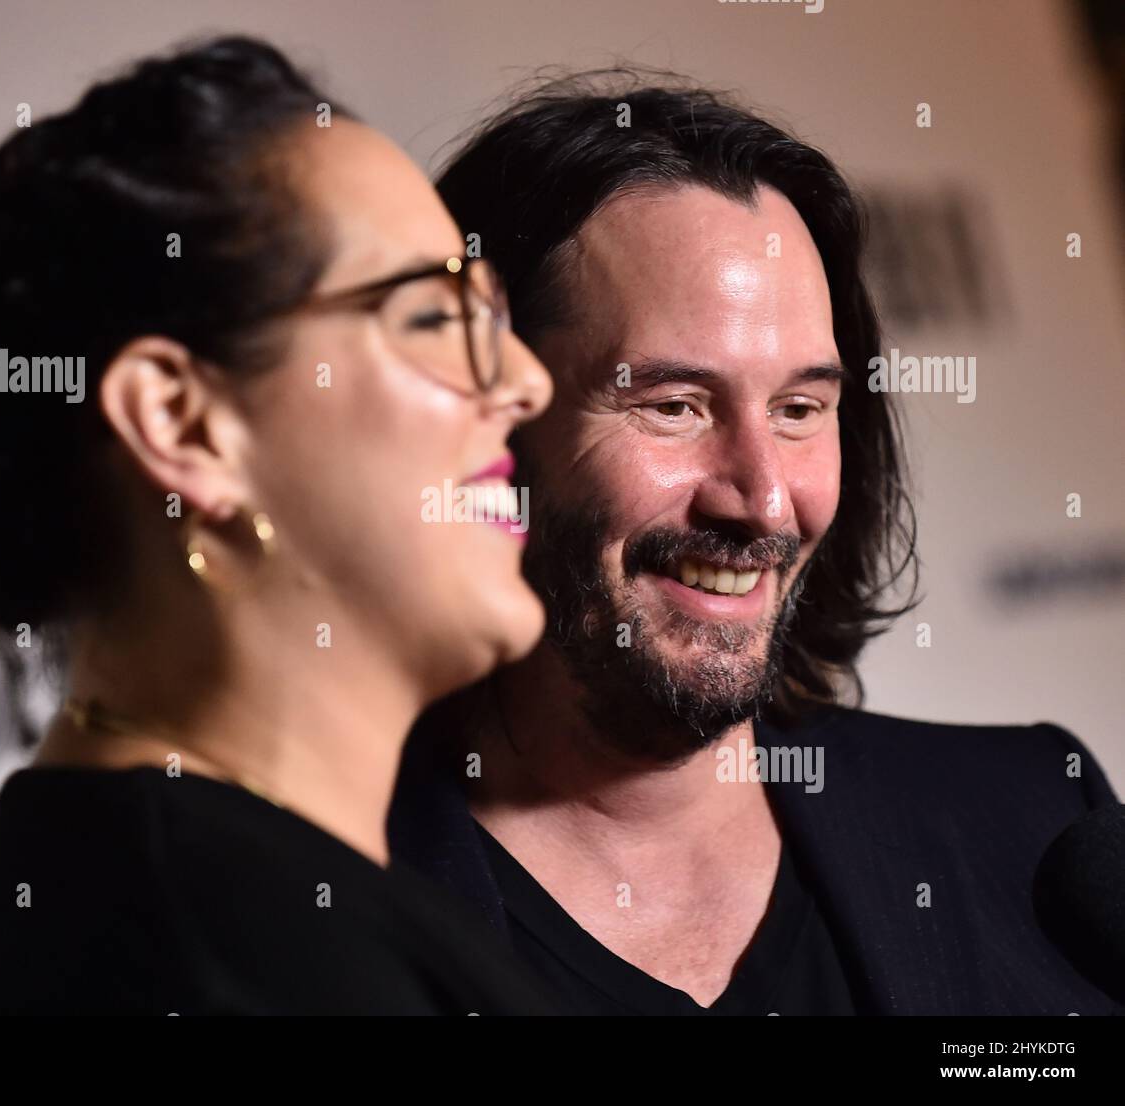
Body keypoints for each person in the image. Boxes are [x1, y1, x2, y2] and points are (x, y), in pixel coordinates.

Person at [387, 72, 1123, 1016]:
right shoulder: (298, 920)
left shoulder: (1031, 826)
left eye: (799, 408)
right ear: (485, 429)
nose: (766, 499)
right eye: (674, 406)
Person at [0, 36, 560, 1015]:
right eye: (438, 318)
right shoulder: (230, 952)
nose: (526, 382)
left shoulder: (191, 884)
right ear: (184, 425)